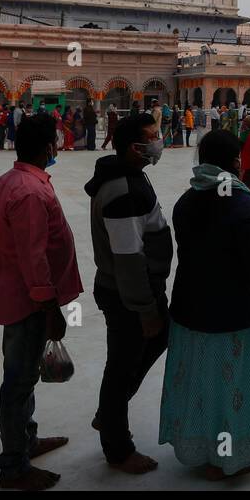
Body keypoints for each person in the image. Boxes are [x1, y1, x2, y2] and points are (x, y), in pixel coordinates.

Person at [161, 129, 250, 479]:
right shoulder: (241, 201)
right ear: (234, 162)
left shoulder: (187, 201)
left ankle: (202, 451)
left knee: (201, 387)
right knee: (231, 388)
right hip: (232, 315)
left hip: (192, 310)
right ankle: (229, 459)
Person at [0, 114, 82, 489]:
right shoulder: (29, 190)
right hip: (29, 300)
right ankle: (14, 466)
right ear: (49, 147)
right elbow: (33, 256)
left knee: (22, 375)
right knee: (19, 380)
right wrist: (49, 306)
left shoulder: (12, 180)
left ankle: (26, 440)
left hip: (19, 293)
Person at [86, 113, 171, 474]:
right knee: (121, 366)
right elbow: (128, 256)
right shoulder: (123, 191)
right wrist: (145, 308)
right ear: (134, 147)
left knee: (143, 349)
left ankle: (109, 414)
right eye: (152, 137)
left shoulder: (130, 175)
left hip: (129, 288)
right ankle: (118, 447)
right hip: (127, 293)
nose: (158, 141)